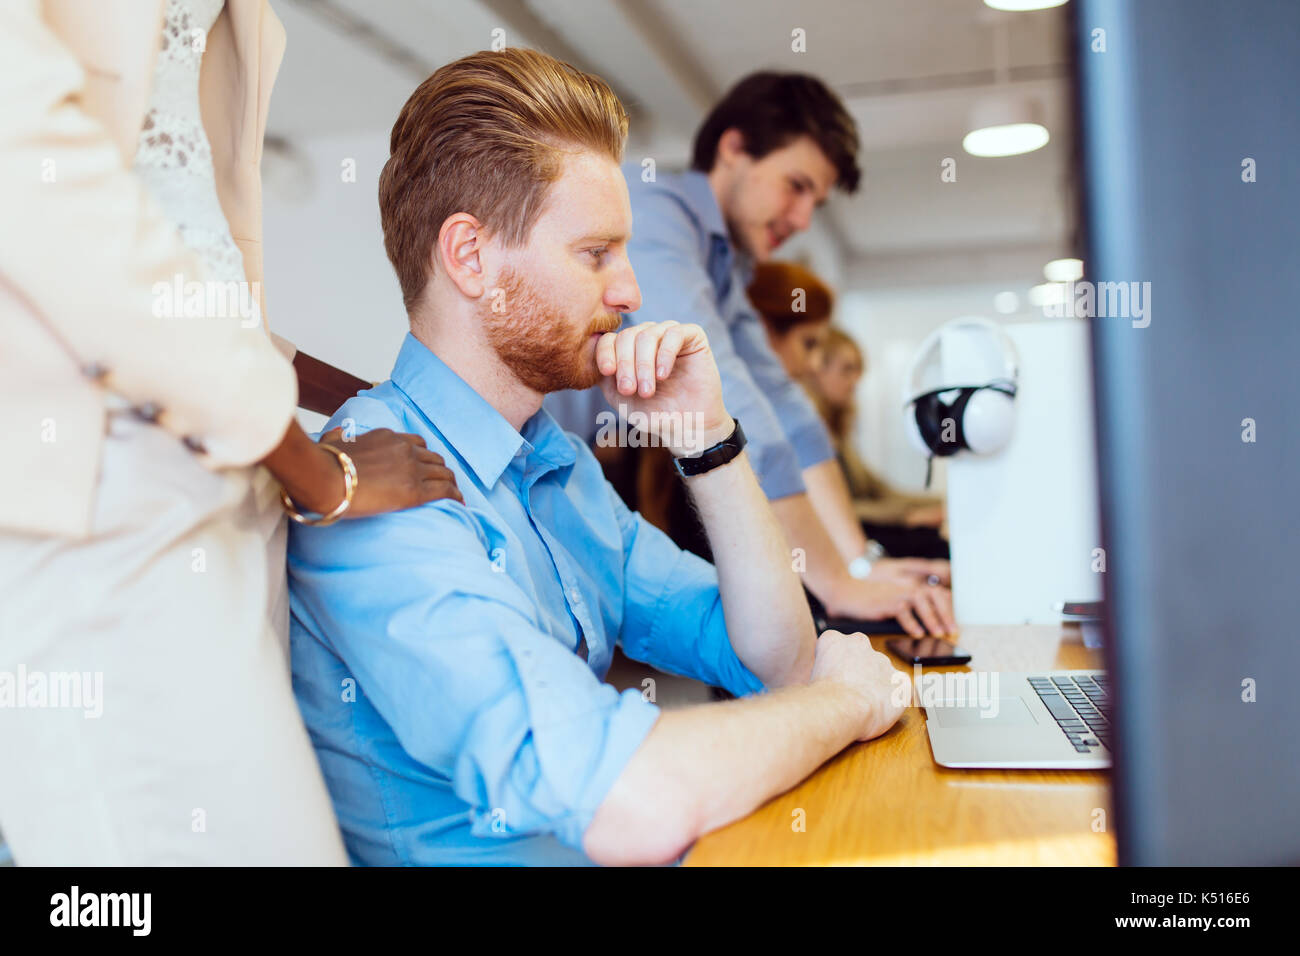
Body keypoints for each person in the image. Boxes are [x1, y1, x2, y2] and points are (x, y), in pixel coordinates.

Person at [287, 47, 909, 866]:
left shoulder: (559, 468)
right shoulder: (374, 491)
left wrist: (709, 443)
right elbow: (627, 802)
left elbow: (779, 657)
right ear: (471, 257)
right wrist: (848, 705)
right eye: (596, 254)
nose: (630, 292)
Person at [0, 0, 459, 865]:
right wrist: (321, 472)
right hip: (93, 478)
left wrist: (375, 397)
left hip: (233, 465)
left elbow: (188, 262)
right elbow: (34, 184)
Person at [544, 71, 953, 635]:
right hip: (525, 459)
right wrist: (838, 583)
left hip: (574, 463)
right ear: (734, 149)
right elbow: (732, 400)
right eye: (797, 185)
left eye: (816, 199)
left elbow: (787, 410)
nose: (804, 218)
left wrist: (859, 563)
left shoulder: (726, 264)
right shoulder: (656, 218)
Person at [809, 327, 948, 557]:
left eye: (857, 370)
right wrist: (907, 516)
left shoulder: (837, 438)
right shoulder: (806, 437)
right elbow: (837, 509)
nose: (856, 380)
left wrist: (940, 502)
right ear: (817, 369)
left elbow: (880, 491)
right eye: (847, 369)